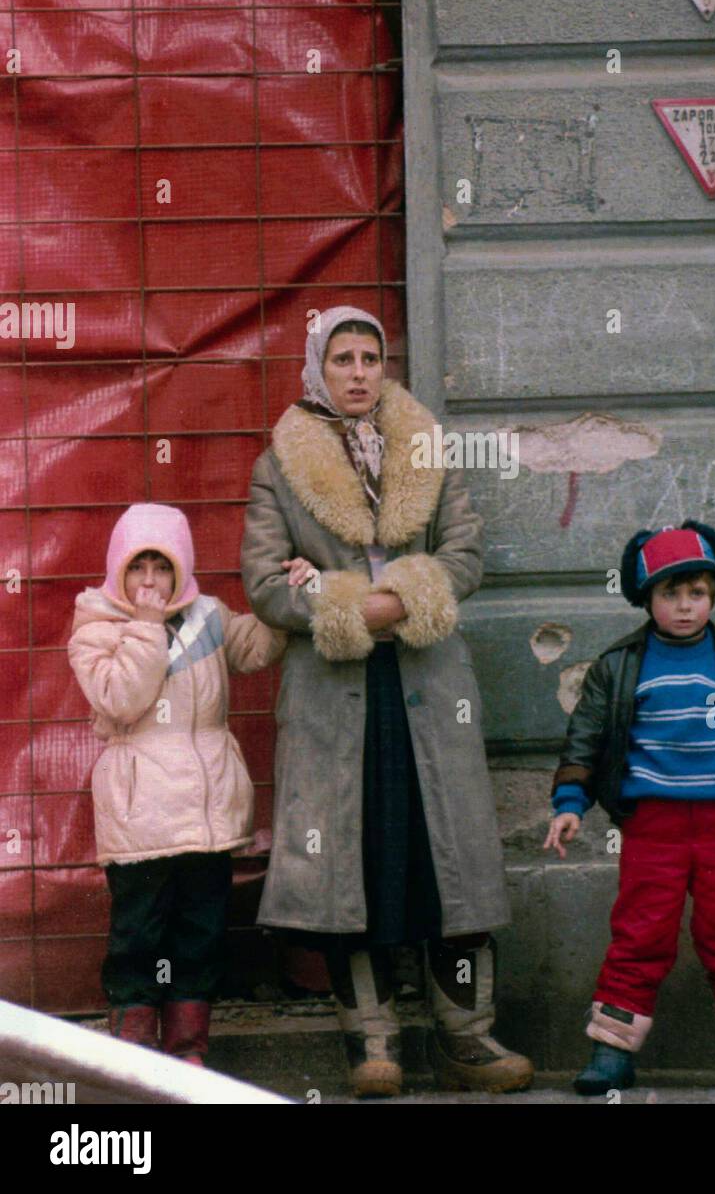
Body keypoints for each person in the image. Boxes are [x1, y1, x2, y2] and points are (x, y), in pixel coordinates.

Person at [240, 304, 532, 1098]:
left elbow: (463, 552)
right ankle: (374, 1045)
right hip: (333, 693)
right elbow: (264, 582)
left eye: (371, 357)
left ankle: (468, 1040)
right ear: (318, 368)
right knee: (350, 862)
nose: (360, 371)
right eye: (343, 359)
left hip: (429, 687)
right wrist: (341, 610)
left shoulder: (424, 448)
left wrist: (400, 599)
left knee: (452, 859)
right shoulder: (281, 464)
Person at [543, 521, 715, 1095]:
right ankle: (612, 1052)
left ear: (713, 596)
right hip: (653, 828)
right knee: (641, 933)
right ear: (648, 599)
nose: (685, 607)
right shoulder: (619, 668)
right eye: (670, 594)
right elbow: (585, 742)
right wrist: (570, 803)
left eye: (697, 593)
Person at [67, 502, 287, 1065]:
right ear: (118, 569)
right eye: (137, 567)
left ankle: (188, 1055)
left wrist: (291, 593)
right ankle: (135, 1062)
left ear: (181, 568)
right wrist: (144, 626)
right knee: (138, 939)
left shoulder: (209, 615)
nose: (148, 582)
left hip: (207, 816)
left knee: (200, 936)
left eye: (161, 567)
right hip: (139, 817)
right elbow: (122, 696)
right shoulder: (96, 624)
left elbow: (258, 646)